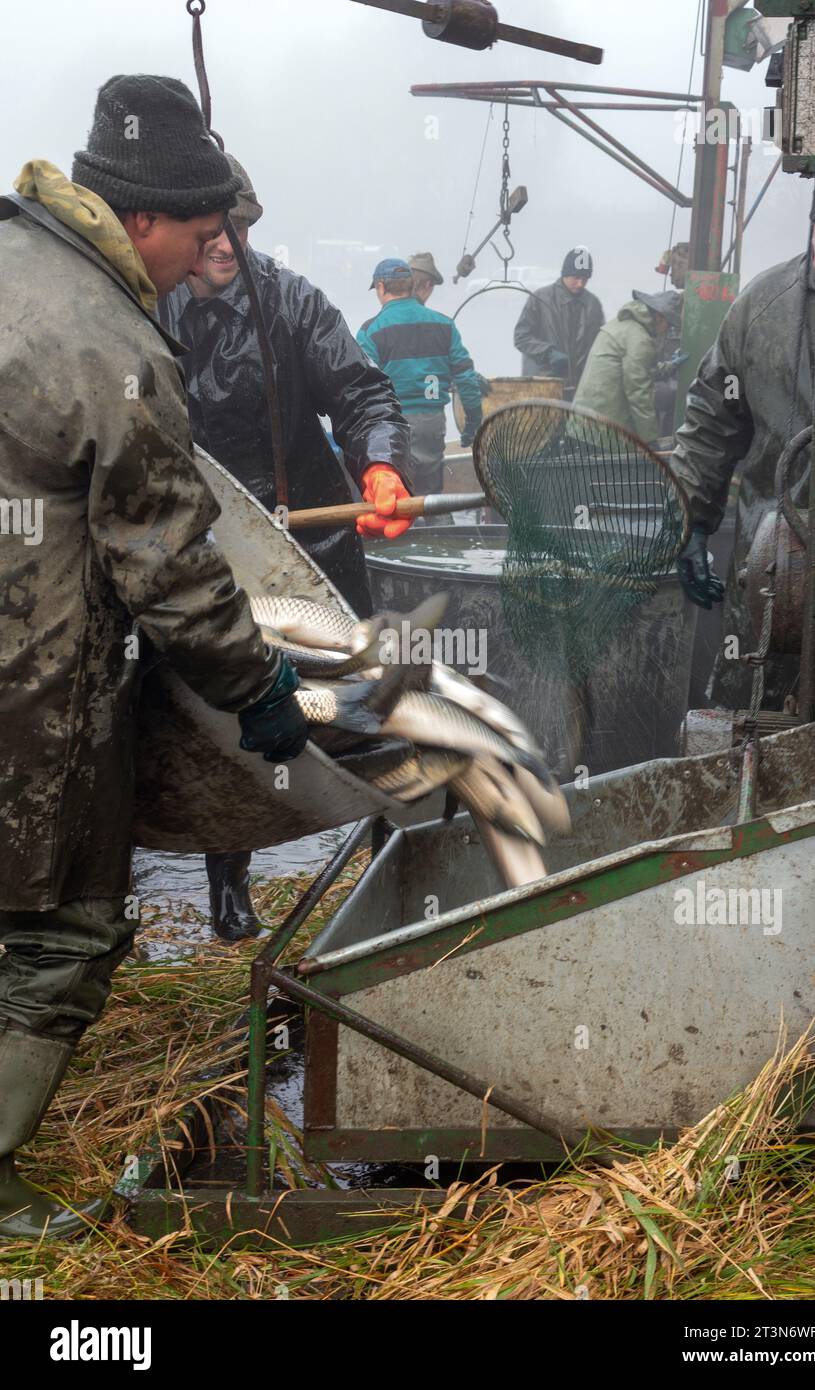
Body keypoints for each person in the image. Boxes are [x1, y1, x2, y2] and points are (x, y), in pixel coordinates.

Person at [0, 75, 309, 1238]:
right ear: (141, 221)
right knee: (61, 926)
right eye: (202, 231)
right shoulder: (111, 339)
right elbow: (170, 564)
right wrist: (255, 688)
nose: (209, 253)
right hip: (31, 683)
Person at [159, 157, 411, 942]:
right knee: (216, 713)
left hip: (311, 541)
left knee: (353, 703)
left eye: (242, 227)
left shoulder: (291, 301)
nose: (228, 245)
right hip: (192, 548)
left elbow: (363, 392)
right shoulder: (146, 303)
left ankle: (388, 867)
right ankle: (227, 881)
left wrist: (379, 463)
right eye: (214, 229)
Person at [671, 178, 815, 710]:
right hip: (773, 557)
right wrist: (691, 522)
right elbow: (713, 420)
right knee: (753, 712)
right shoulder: (763, 305)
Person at [357, 258, 482, 518]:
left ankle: (404, 549)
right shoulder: (444, 325)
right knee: (432, 496)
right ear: (410, 285)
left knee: (398, 499)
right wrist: (473, 420)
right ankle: (440, 546)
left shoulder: (370, 331)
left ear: (381, 287)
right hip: (433, 423)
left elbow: (361, 388)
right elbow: (466, 377)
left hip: (393, 425)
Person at [572, 290, 683, 444]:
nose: (668, 329)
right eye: (669, 324)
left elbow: (641, 369)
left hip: (585, 419)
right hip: (602, 431)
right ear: (659, 317)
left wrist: (671, 366)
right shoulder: (639, 338)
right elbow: (638, 393)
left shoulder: (622, 324)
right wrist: (650, 440)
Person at [513, 246, 604, 398]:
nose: (580, 283)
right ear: (565, 274)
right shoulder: (540, 299)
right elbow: (521, 337)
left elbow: (600, 344)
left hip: (580, 388)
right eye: (576, 278)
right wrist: (548, 353)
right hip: (543, 386)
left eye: (585, 279)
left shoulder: (593, 304)